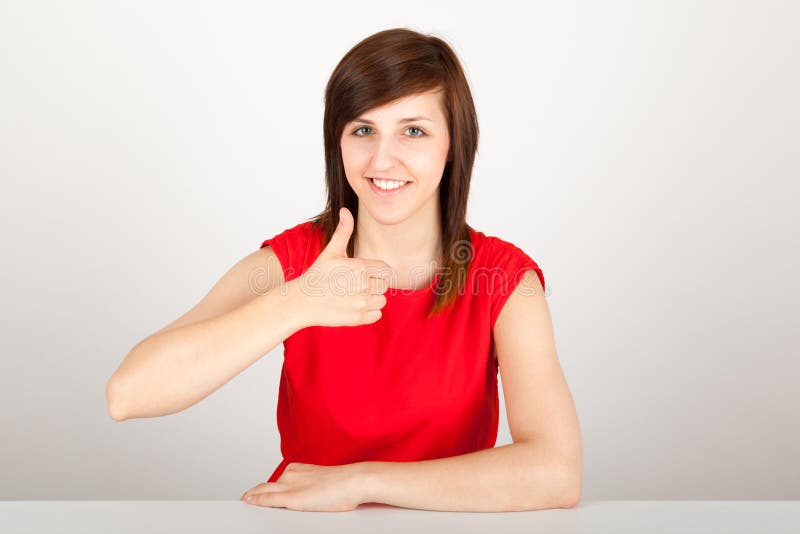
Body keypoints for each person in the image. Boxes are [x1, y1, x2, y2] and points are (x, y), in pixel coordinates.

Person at [107, 28, 581, 513]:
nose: (382, 158)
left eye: (413, 130)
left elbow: (557, 471)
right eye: (362, 130)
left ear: (453, 145)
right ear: (338, 142)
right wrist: (294, 303)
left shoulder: (502, 280)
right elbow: (129, 394)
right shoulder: (295, 262)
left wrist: (361, 483)